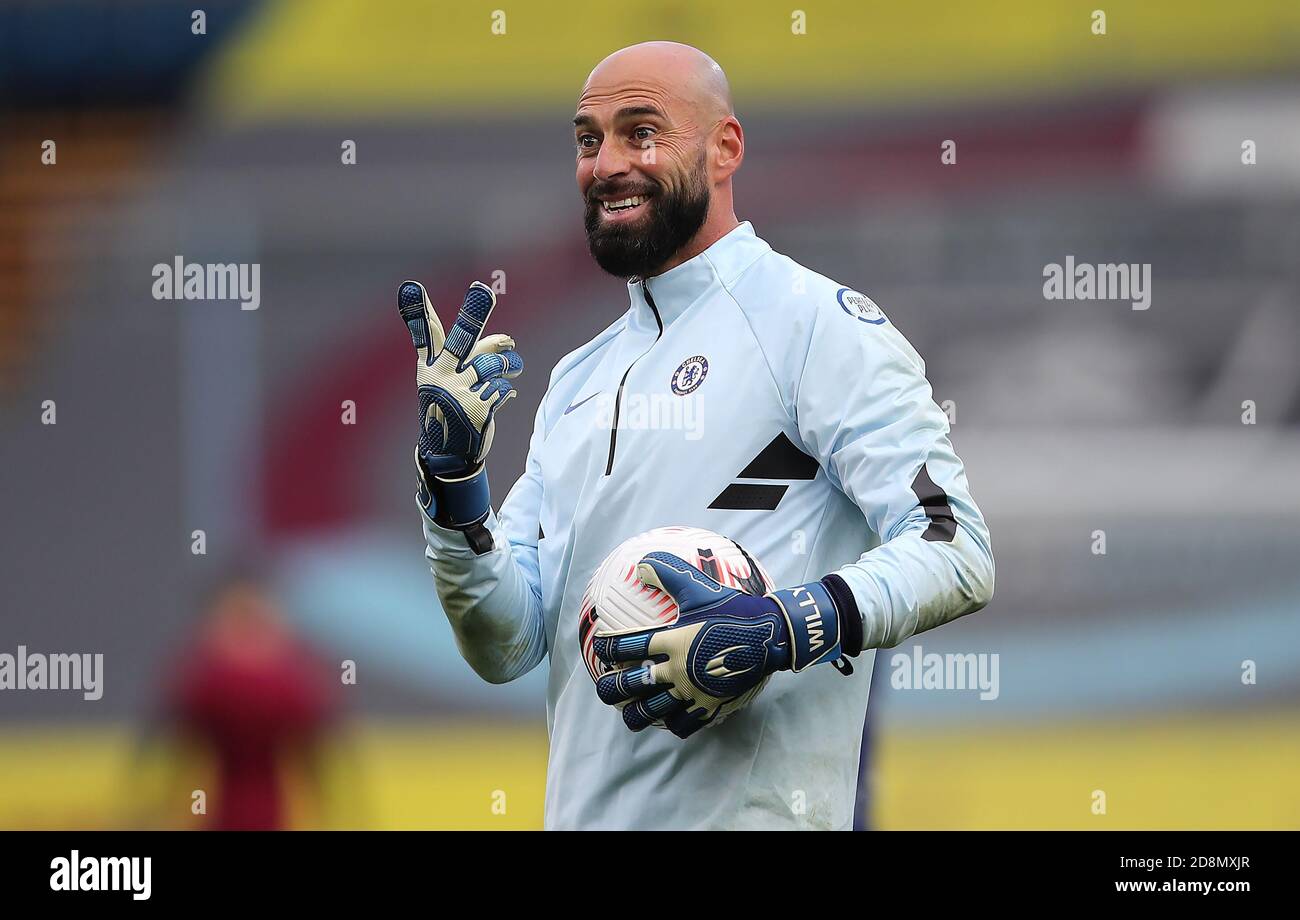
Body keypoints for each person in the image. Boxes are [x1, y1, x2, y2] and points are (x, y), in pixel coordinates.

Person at [400, 41, 993, 829]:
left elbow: (956, 548)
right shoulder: (576, 381)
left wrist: (784, 626)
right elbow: (503, 643)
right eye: (588, 139)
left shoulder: (816, 327)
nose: (607, 163)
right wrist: (453, 492)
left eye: (641, 132)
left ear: (725, 148)